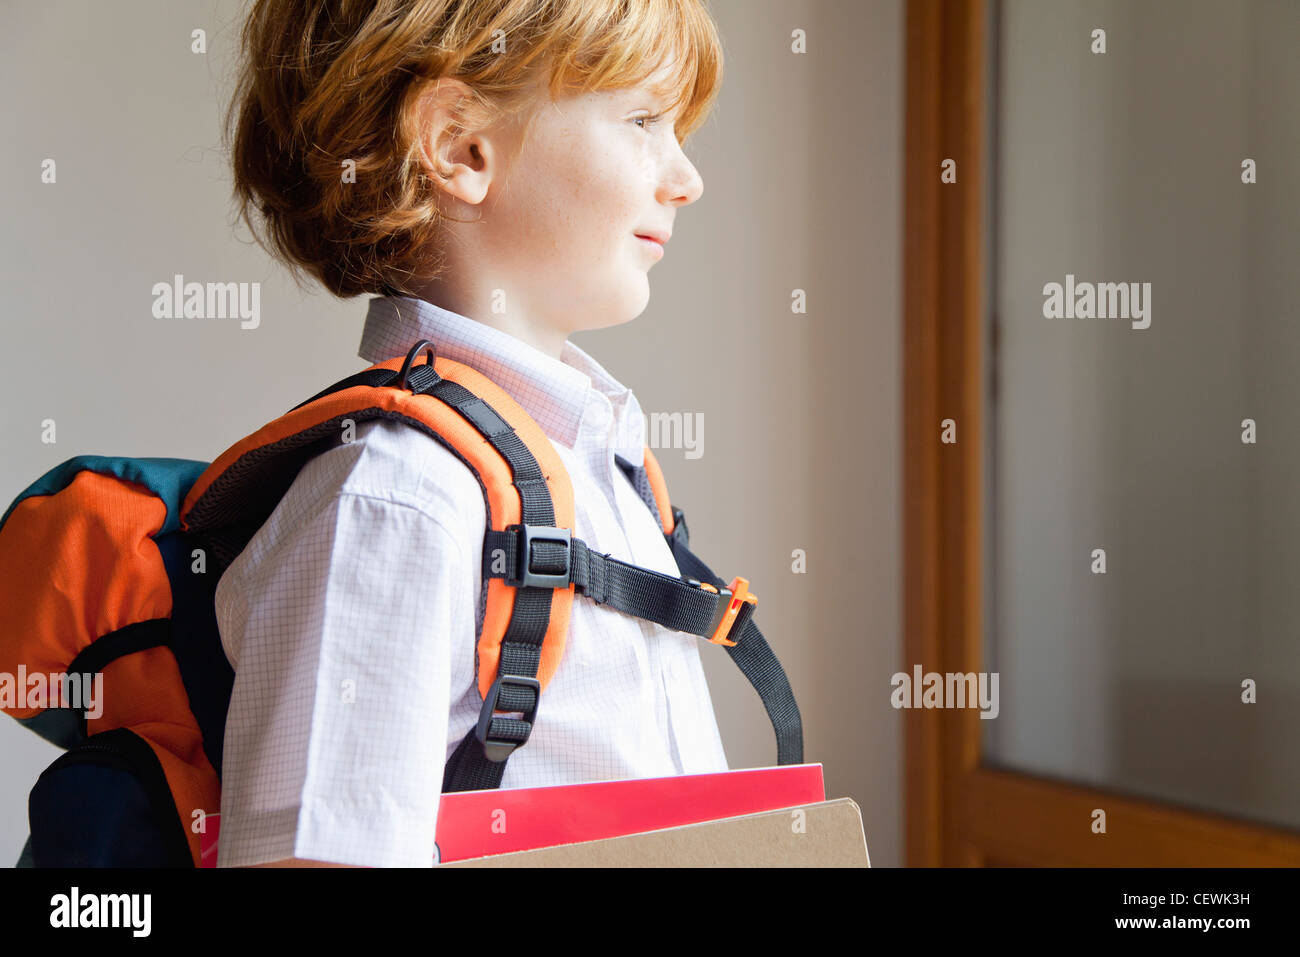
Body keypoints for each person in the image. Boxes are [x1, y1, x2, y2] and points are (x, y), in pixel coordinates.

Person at [215, 0, 729, 867]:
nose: (687, 178)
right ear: (461, 146)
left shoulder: (606, 469)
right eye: (643, 119)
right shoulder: (397, 498)